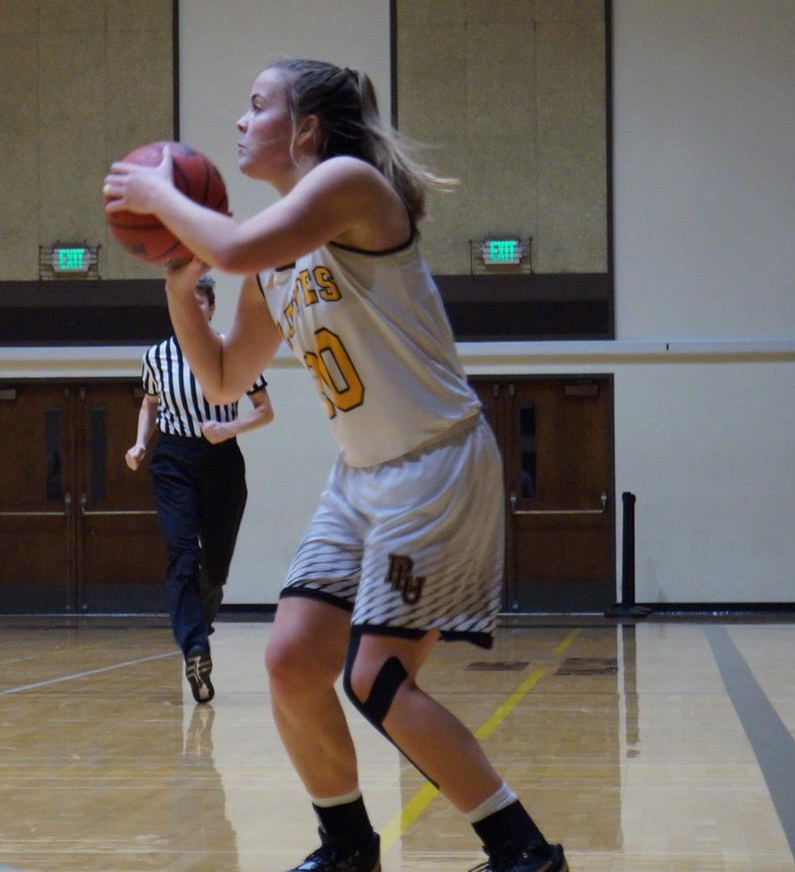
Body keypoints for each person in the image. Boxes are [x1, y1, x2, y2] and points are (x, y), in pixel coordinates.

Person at [104, 58, 566, 872]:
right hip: (360, 477)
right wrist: (180, 285)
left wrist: (159, 198)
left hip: (435, 465)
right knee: (290, 660)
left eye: (257, 107)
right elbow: (220, 377)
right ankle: (348, 846)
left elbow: (238, 243)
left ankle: (523, 851)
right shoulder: (275, 252)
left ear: (307, 129)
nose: (240, 123)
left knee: (376, 679)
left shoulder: (351, 186)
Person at [126, 274, 274, 702]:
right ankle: (195, 647)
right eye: (182, 304)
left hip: (222, 461)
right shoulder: (156, 357)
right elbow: (149, 403)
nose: (190, 310)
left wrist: (228, 428)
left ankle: (198, 623)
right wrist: (140, 443)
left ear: (210, 308)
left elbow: (265, 411)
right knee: (182, 556)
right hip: (173, 459)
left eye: (198, 303)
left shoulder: (233, 352)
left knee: (216, 569)